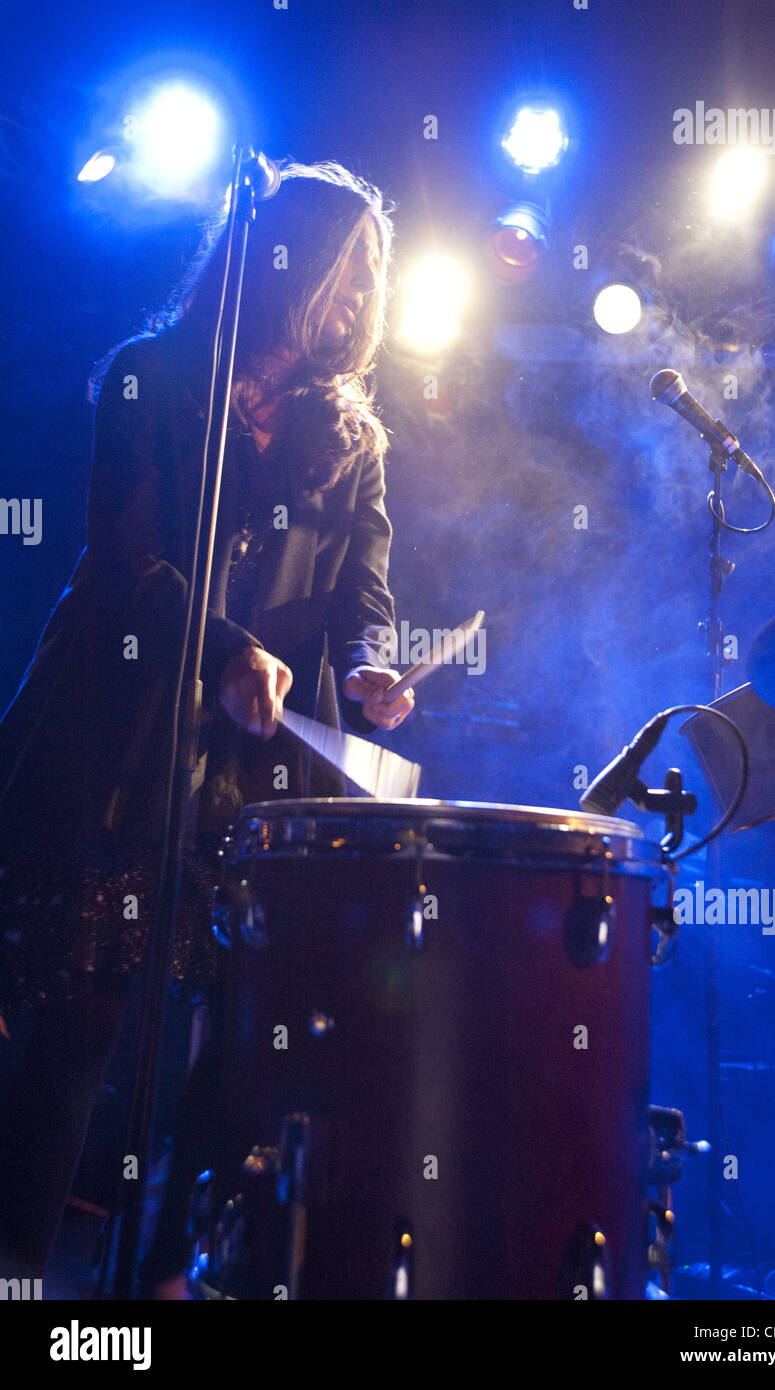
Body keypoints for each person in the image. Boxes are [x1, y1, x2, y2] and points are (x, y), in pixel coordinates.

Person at [0, 160, 415, 1290]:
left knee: (246, 1035)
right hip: (125, 740)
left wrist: (373, 669)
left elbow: (361, 594)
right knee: (81, 1018)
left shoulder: (354, 436)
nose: (361, 291)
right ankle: (20, 1274)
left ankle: (170, 1282)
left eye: (371, 273)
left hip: (263, 767)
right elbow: (129, 558)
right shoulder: (150, 377)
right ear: (278, 259)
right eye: (348, 264)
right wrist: (229, 652)